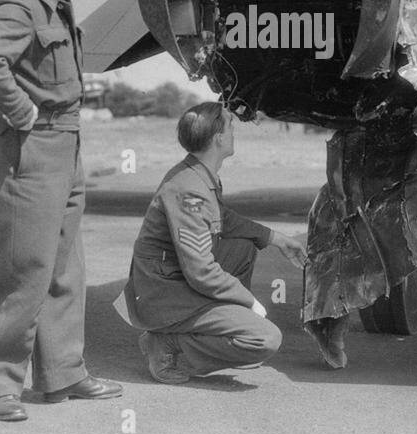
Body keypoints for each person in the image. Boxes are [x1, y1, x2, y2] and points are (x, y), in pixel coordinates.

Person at [0, 0, 122, 422]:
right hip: (27, 151)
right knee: (21, 272)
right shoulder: (20, 2)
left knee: (64, 269)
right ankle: (0, 386)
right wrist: (20, 108)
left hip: (63, 146)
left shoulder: (54, 0)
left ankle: (63, 374)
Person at [116, 103, 309, 383]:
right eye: (230, 127)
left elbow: (223, 219)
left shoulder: (198, 174)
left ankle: (219, 332)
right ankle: (168, 347)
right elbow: (200, 271)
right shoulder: (189, 190)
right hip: (164, 295)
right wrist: (249, 301)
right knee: (264, 339)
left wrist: (276, 239)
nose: (234, 133)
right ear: (218, 138)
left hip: (172, 279)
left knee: (243, 247)